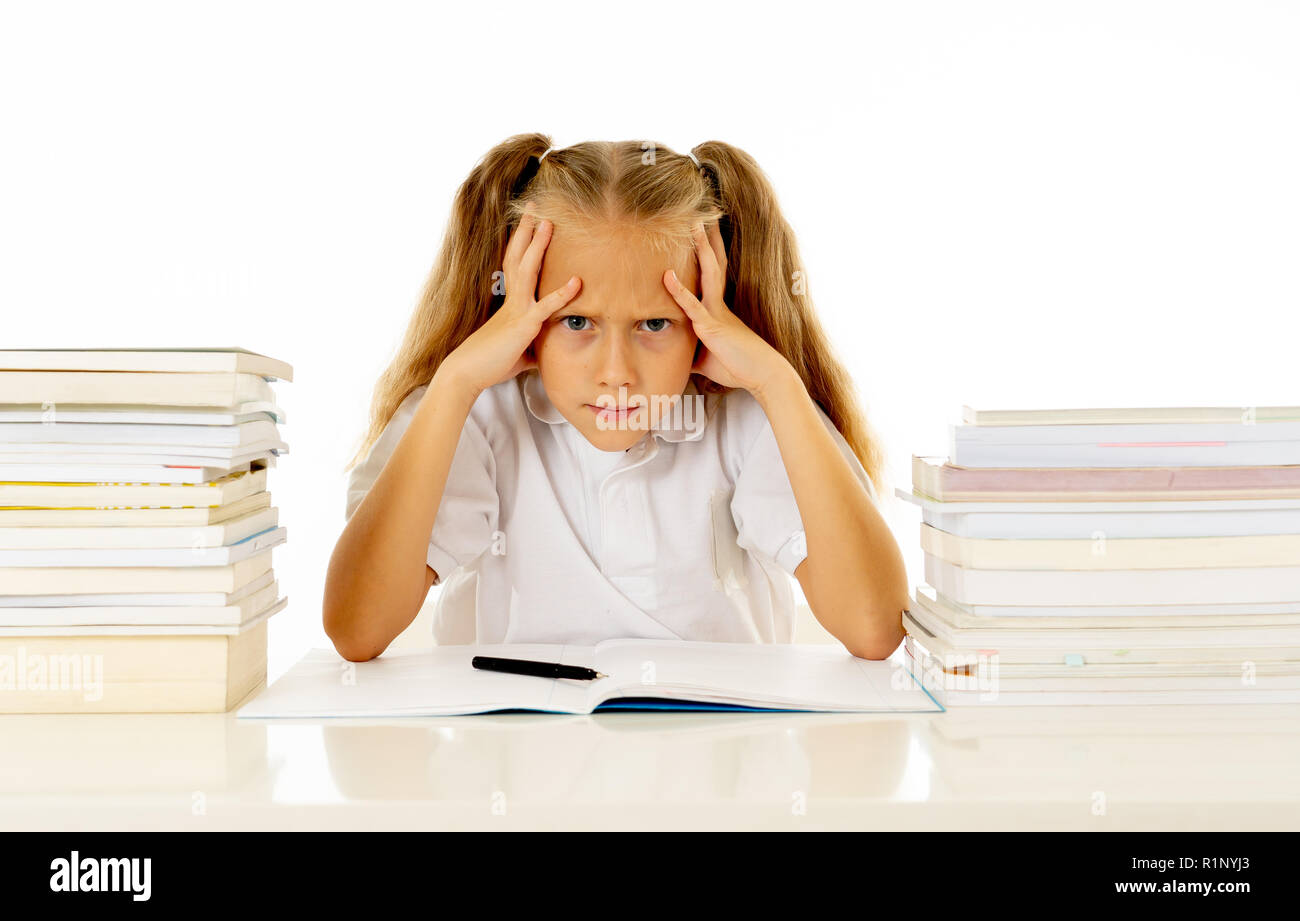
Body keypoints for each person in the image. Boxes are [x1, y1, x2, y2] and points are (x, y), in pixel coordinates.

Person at [324, 134, 908, 661]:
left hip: (713, 766)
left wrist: (779, 384)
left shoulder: (753, 415)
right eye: (576, 322)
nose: (616, 374)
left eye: (654, 325)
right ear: (519, 313)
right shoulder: (473, 412)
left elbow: (875, 628)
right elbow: (357, 629)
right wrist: (454, 384)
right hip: (517, 765)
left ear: (709, 316)